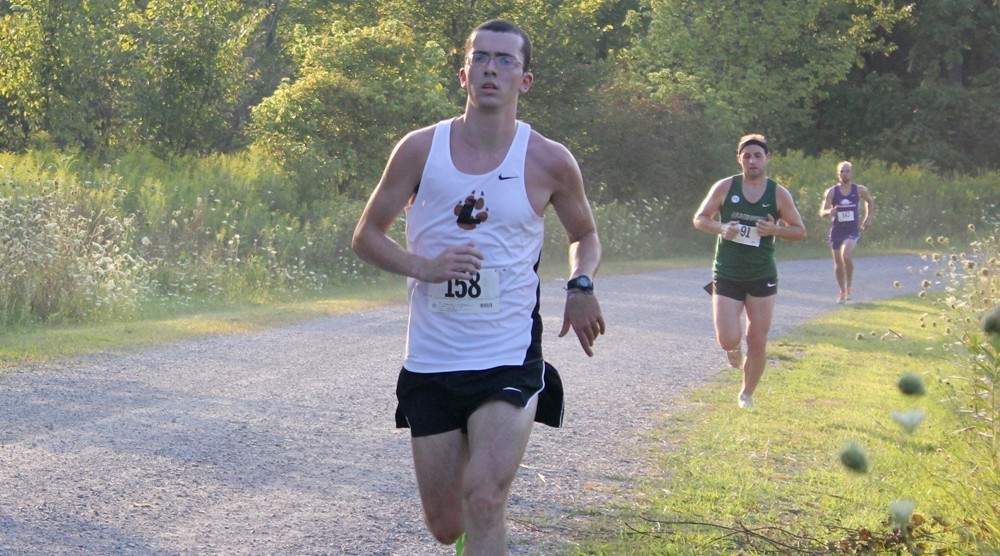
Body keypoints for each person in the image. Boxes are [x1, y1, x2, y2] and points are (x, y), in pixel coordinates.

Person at [352, 19, 605, 554]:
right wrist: (424, 267)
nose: (492, 69)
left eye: (505, 60)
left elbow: (584, 234)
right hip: (432, 359)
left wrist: (580, 285)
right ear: (464, 73)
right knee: (447, 525)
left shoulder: (548, 159)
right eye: (481, 58)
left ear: (525, 80)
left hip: (507, 356)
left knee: (485, 499)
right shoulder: (419, 149)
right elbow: (366, 236)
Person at [693, 134, 806, 409]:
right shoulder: (725, 186)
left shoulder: (778, 193)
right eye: (747, 156)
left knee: (757, 340)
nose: (752, 161)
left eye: (757, 155)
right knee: (727, 338)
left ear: (767, 158)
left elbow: (800, 231)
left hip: (762, 274)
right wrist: (721, 228)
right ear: (739, 159)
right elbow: (700, 218)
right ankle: (732, 350)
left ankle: (746, 394)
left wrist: (775, 229)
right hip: (727, 271)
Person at [819, 161, 874, 303]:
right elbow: (822, 211)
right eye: (842, 171)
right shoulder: (832, 192)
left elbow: (869, 201)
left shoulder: (859, 190)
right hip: (837, 231)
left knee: (846, 256)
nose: (845, 174)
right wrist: (829, 212)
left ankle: (849, 286)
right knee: (838, 264)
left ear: (851, 173)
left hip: (852, 230)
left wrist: (868, 217)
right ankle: (842, 292)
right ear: (838, 174)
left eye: (847, 171)